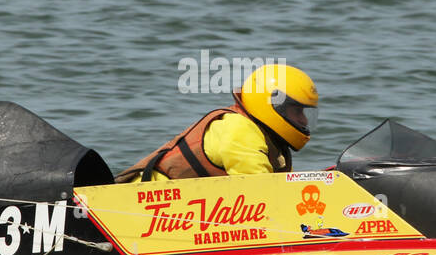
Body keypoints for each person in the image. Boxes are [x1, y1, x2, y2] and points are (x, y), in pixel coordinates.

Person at [115, 64, 318, 182]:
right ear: (274, 105)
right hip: (144, 209)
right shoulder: (241, 130)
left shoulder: (265, 136)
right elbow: (261, 192)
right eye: (297, 111)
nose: (303, 120)